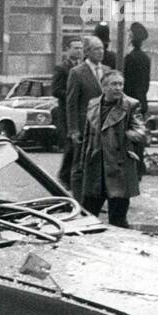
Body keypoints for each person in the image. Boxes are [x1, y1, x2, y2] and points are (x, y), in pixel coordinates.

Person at [79, 68, 146, 227]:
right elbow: (87, 135)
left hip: (119, 166)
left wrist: (128, 135)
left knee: (117, 218)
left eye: (120, 84)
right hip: (96, 164)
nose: (118, 88)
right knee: (87, 214)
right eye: (114, 84)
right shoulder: (93, 104)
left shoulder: (131, 104)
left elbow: (140, 130)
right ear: (104, 87)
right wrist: (83, 161)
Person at [65, 35, 107, 199]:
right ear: (87, 51)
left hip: (104, 126)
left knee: (100, 163)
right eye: (96, 49)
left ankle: (95, 198)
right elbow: (71, 103)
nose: (101, 52)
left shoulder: (108, 71)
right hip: (84, 125)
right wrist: (73, 129)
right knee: (79, 164)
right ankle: (78, 198)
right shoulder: (77, 72)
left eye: (102, 48)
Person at [50, 36, 83, 186]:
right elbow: (56, 90)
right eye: (75, 48)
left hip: (79, 111)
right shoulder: (62, 68)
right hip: (66, 112)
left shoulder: (83, 67)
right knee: (70, 145)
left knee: (75, 146)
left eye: (80, 48)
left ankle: (70, 175)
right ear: (67, 50)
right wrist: (72, 95)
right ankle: (64, 176)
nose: (79, 51)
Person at [123, 21, 151, 115]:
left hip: (130, 104)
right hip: (141, 102)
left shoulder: (130, 58)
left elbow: (128, 83)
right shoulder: (145, 58)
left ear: (131, 38)